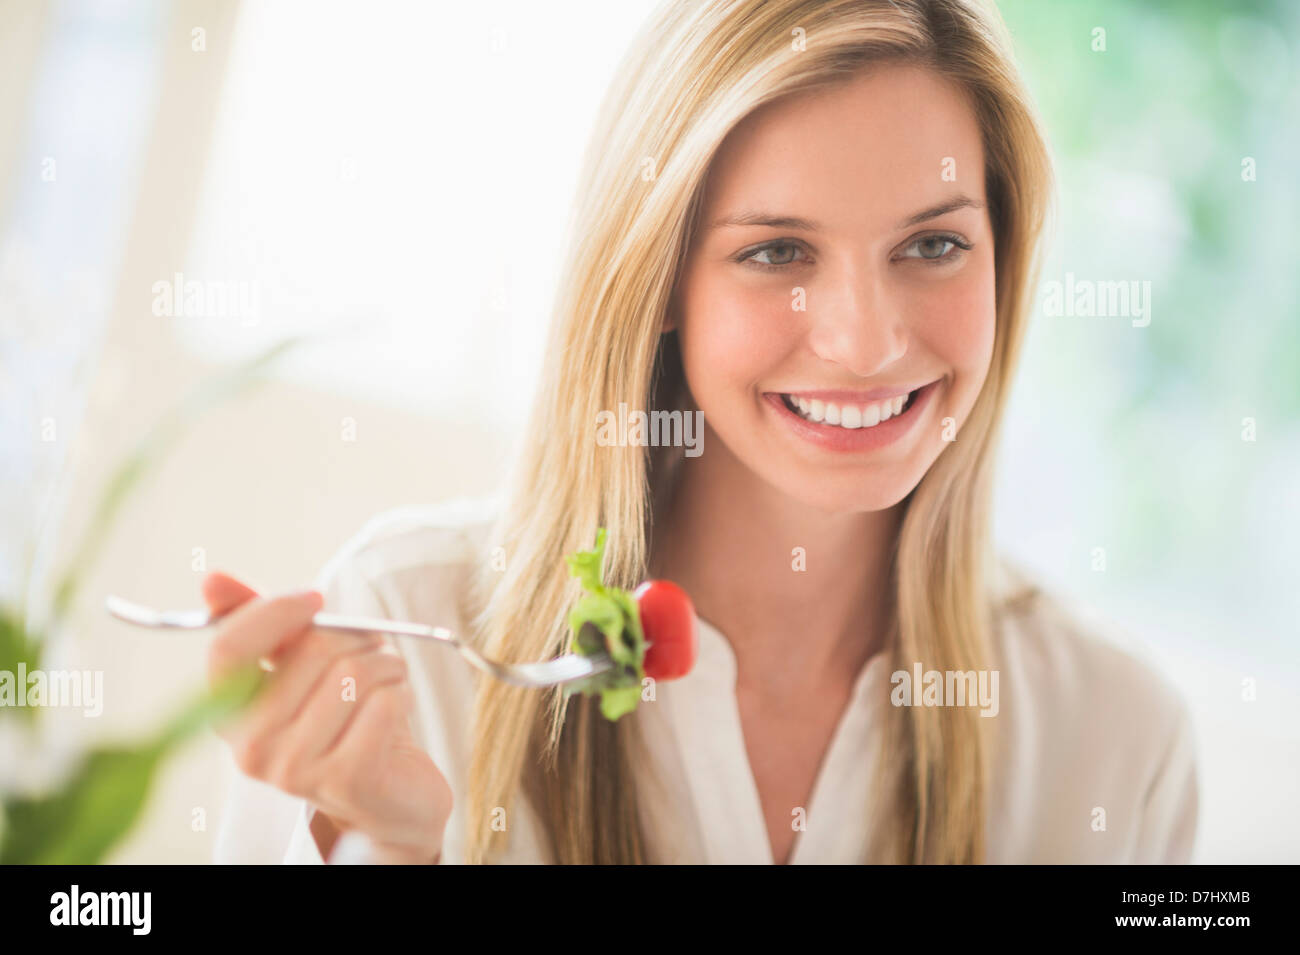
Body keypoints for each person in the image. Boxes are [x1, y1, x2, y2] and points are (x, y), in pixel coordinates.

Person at [210, 0, 1197, 865]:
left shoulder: (1114, 740)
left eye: (932, 244)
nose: (862, 343)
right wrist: (391, 848)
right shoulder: (403, 642)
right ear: (662, 280)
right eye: (776, 250)